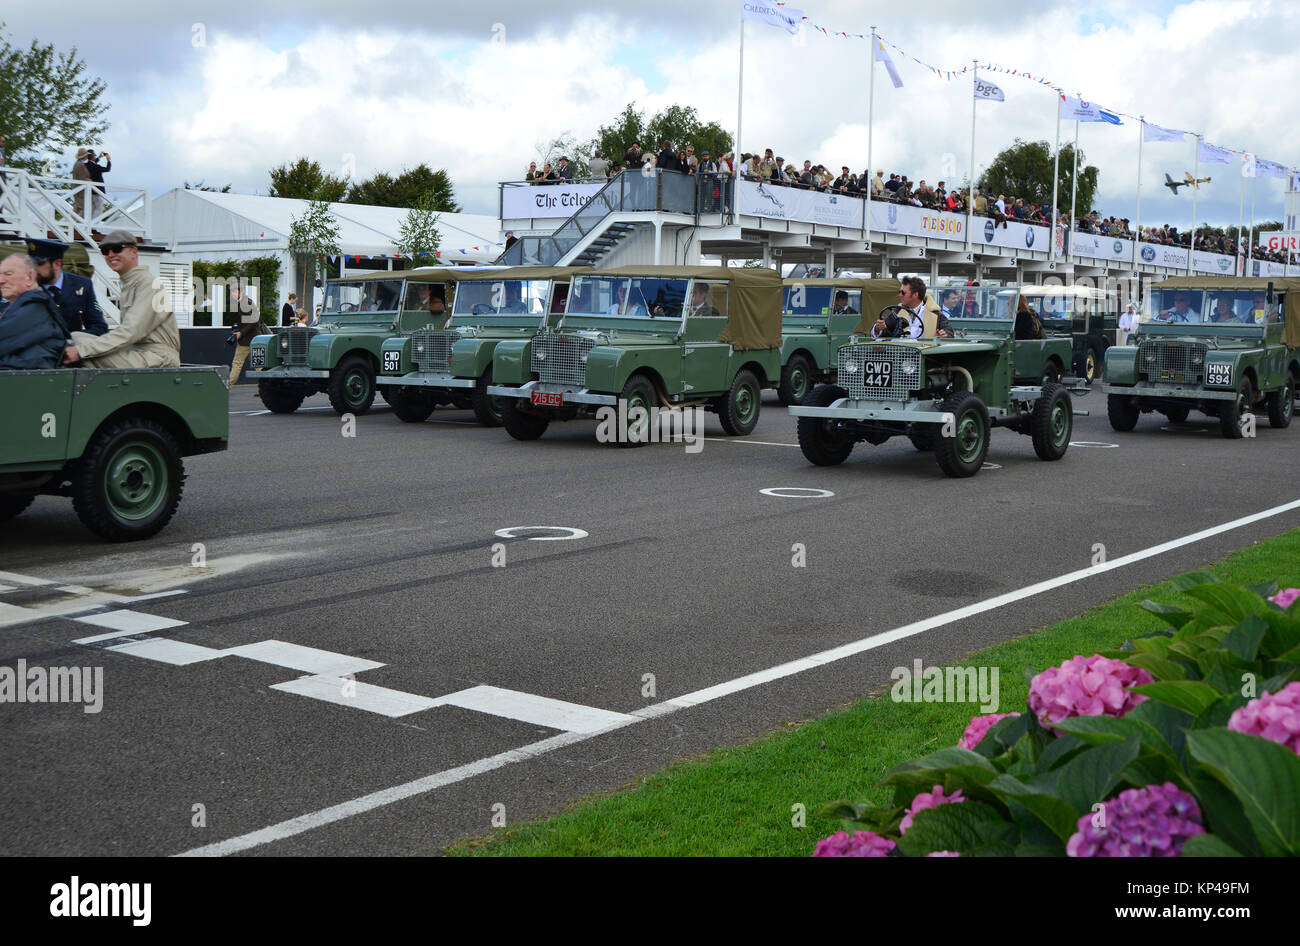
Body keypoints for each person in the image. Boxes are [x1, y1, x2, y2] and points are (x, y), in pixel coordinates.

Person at [63, 230, 180, 369]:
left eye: (117, 249)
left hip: (158, 358)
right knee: (77, 337)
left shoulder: (149, 284)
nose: (111, 255)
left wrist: (82, 351)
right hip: (137, 353)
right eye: (105, 251)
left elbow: (131, 331)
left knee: (82, 350)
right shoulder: (130, 283)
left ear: (134, 252)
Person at [27, 238, 110, 336]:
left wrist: (75, 340)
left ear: (57, 264)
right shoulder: (26, 286)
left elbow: (99, 326)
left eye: (38, 264)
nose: (32, 269)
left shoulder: (82, 285)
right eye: (29, 264)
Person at [0, 254, 68, 370]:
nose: (1, 281)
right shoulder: (25, 306)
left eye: (8, 274)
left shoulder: (34, 308)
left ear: (30, 277)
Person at [872, 276, 951, 339]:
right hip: (901, 355)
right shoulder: (897, 312)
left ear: (915, 295)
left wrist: (944, 334)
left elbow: (949, 331)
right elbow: (885, 332)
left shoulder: (935, 313)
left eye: (903, 292)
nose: (900, 295)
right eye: (899, 292)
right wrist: (878, 328)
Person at [84, 149, 111, 220]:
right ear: (92, 156)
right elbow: (107, 169)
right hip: (97, 191)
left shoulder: (85, 165)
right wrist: (108, 160)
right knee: (99, 208)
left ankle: (90, 226)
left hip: (89, 191)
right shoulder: (96, 167)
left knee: (91, 209)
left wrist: (99, 158)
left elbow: (92, 164)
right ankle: (93, 227)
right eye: (94, 155)